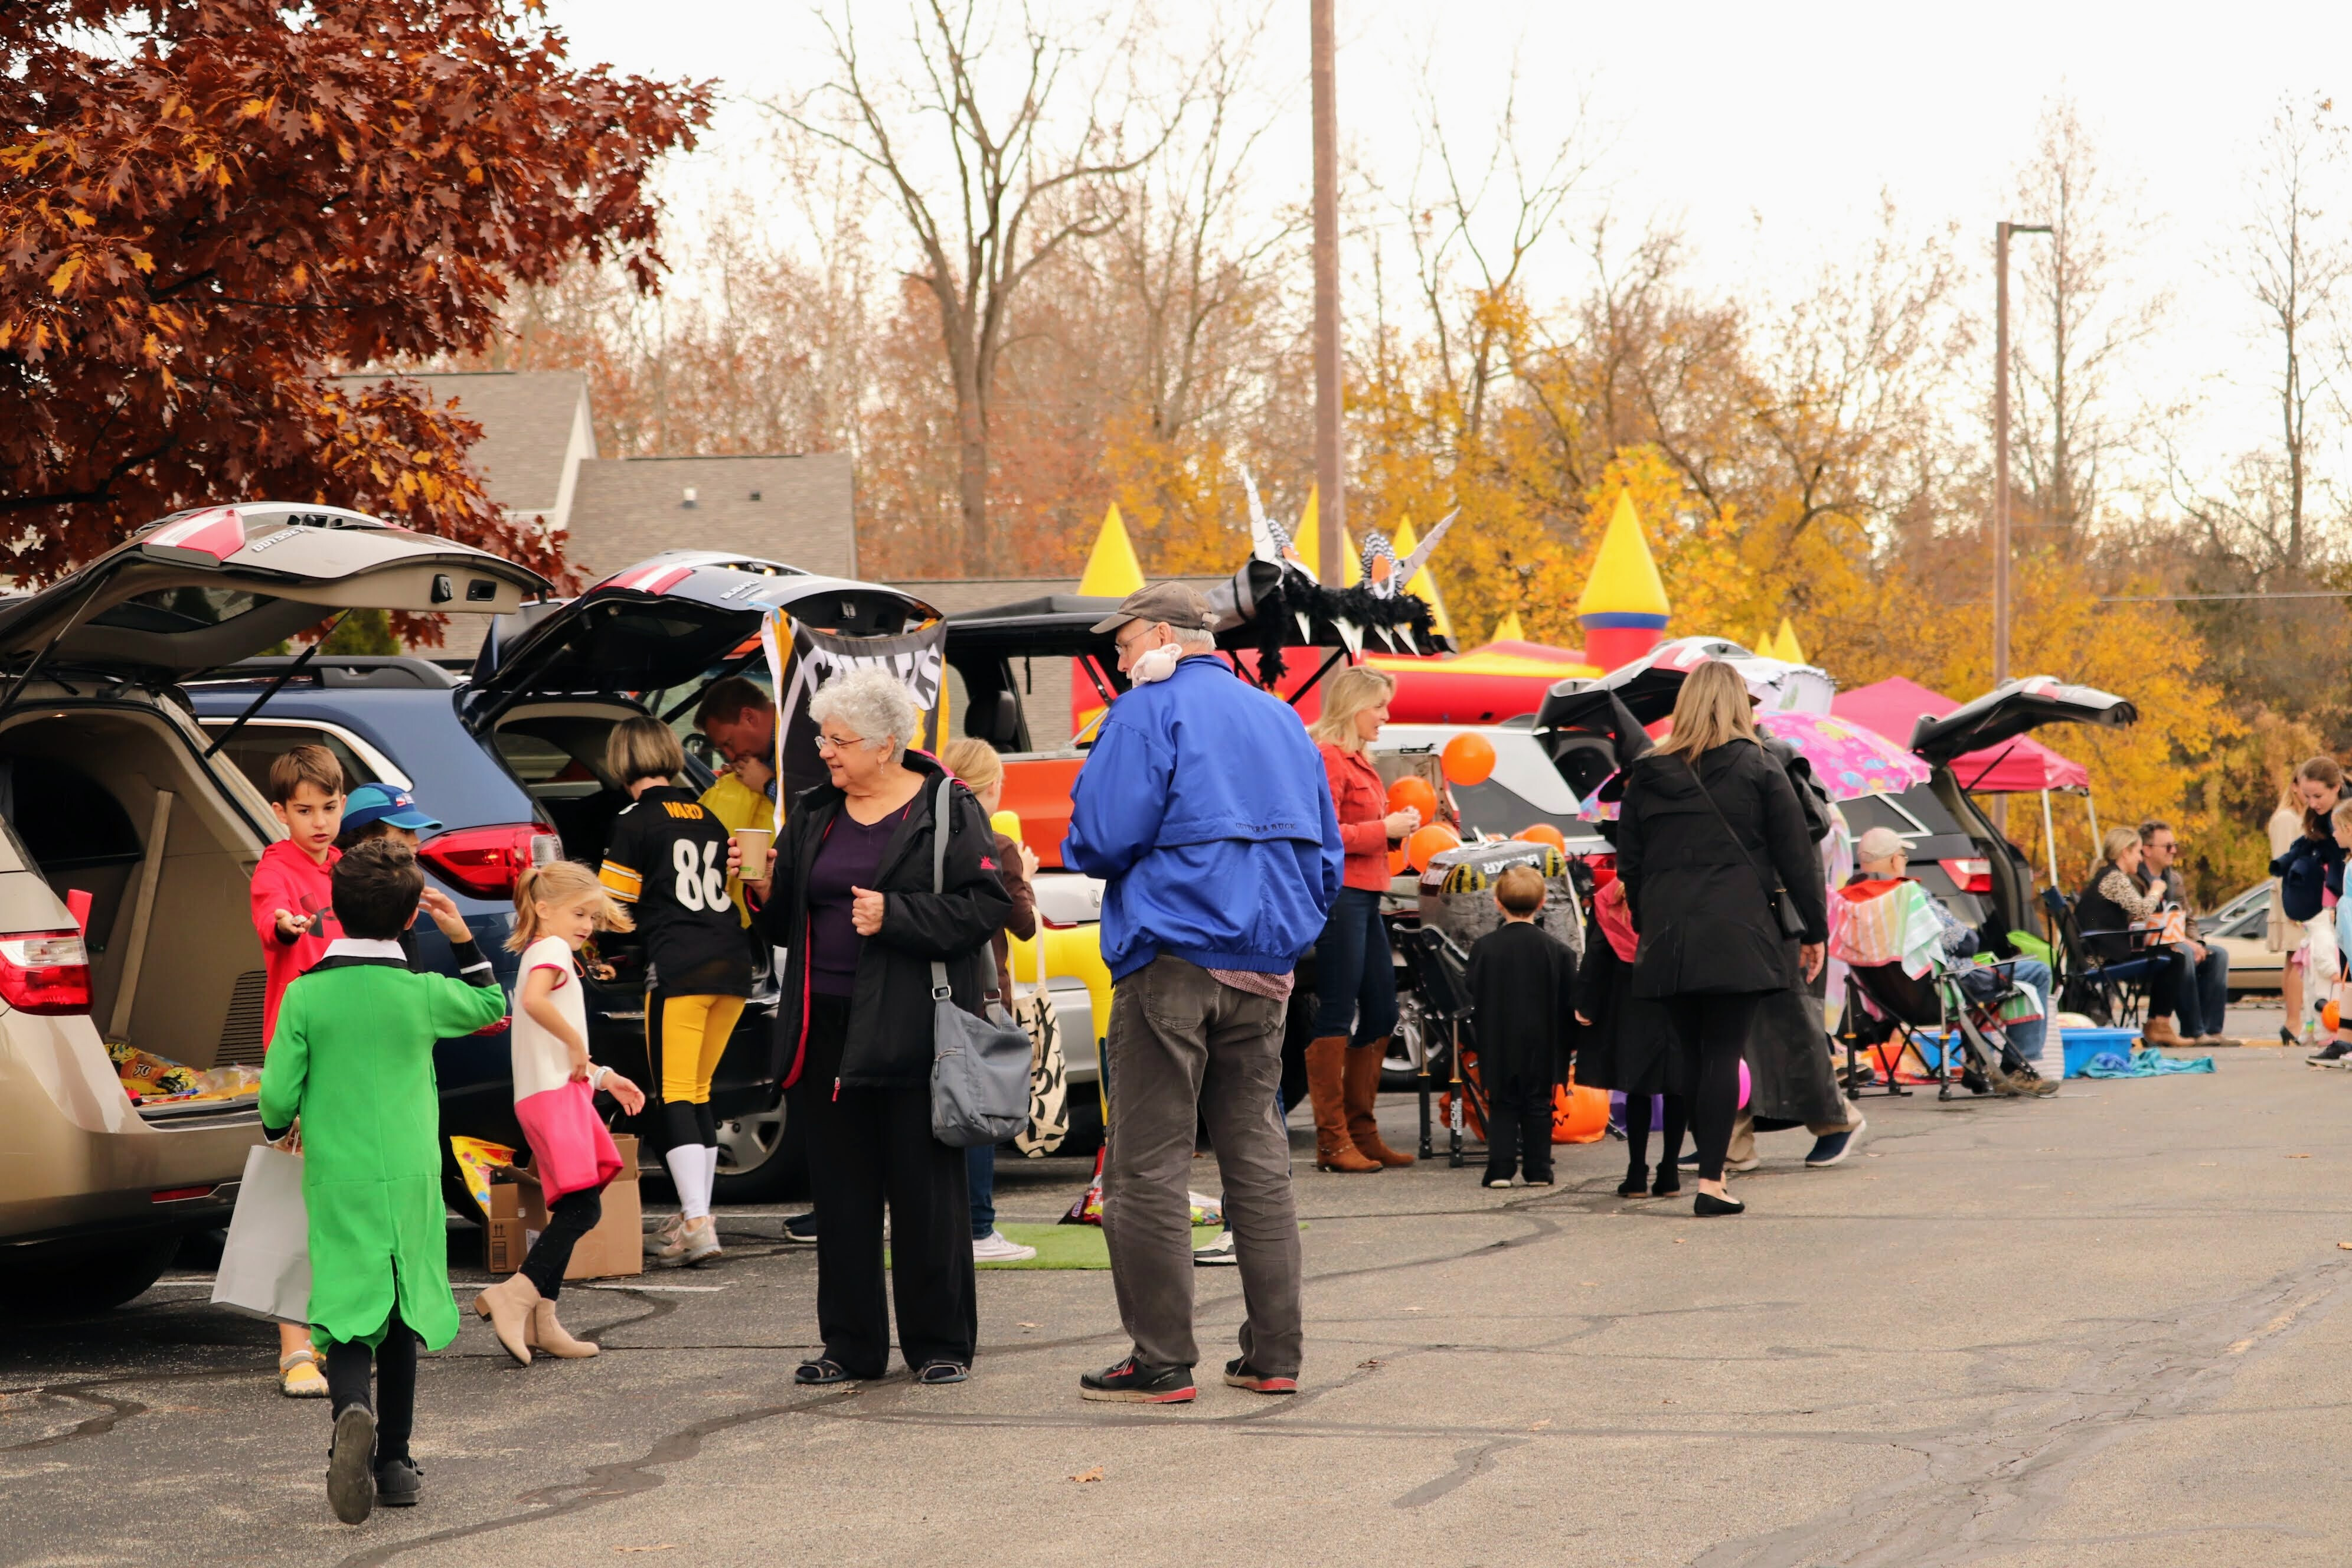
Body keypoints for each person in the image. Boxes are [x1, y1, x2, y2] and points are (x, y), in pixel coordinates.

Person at [1061, 583, 1340, 1404]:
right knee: (1257, 1158)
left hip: (1173, 953)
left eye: (1121, 644)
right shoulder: (1281, 718)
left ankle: (1161, 1359)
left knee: (1147, 1165)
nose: (1118, 659)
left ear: (1159, 635)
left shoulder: (1146, 712)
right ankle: (1274, 1355)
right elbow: (1326, 856)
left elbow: (1100, 839)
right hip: (1266, 962)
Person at [739, 668, 1009, 1387]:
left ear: (886, 744)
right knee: (842, 1198)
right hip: (824, 1026)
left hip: (916, 1026)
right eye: (822, 738)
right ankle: (850, 1346)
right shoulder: (814, 811)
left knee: (927, 1197)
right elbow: (785, 922)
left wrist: (898, 915)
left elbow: (987, 906)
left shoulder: (947, 806)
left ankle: (940, 1344)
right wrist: (761, 885)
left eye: (839, 740)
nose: (825, 751)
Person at [256, 840, 508, 1524]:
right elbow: (491, 1003)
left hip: (340, 1174)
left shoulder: (307, 995)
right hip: (412, 1175)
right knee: (400, 1310)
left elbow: (276, 1099)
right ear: (407, 919)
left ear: (335, 909)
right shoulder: (421, 993)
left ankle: (351, 1408)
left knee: (344, 1307)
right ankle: (394, 1461)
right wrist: (461, 937)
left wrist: (282, 1124)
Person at [1613, 659, 1827, 1218]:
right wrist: (1814, 930)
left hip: (1668, 934)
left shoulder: (1646, 772)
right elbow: (1796, 857)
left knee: (1690, 1056)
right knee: (1723, 1055)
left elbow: (1629, 863)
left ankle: (1700, 1172)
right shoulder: (1760, 766)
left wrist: (1649, 919)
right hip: (1740, 930)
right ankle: (1712, 1180)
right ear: (1737, 705)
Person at [470, 862, 648, 1364]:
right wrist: (575, 1044)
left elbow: (550, 1033)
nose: (588, 925)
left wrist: (602, 1075)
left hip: (552, 1093)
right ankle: (515, 1296)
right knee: (583, 1208)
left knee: (575, 1204)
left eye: (592, 916)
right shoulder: (551, 950)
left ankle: (543, 1320)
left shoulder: (542, 949)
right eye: (579, 914)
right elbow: (533, 1004)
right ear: (544, 910)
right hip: (554, 1098)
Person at [597, 717, 757, 1268]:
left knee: (675, 1095)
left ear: (621, 761)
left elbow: (614, 908)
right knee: (699, 1091)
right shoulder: (708, 815)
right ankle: (698, 1216)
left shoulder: (633, 820)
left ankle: (696, 1223)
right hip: (733, 963)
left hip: (680, 966)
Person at [695, 678, 814, 1246]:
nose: (728, 756)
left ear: (750, 717)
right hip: (769, 921)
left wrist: (766, 784)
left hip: (803, 924)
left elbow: (813, 805)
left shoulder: (803, 741)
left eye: (727, 743)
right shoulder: (757, 766)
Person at [247, 743, 347, 1399]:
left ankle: (335, 1334)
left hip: (352, 1051)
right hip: (302, 1058)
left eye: (329, 807)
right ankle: (295, 1348)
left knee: (341, 1199)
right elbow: (273, 919)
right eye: (305, 810)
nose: (319, 821)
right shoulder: (275, 868)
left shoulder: (348, 867)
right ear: (280, 811)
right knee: (295, 1202)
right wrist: (286, 926)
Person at [1302, 664, 1419, 1172]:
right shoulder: (1329, 756)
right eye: (1379, 706)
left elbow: (1353, 827)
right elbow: (1321, 833)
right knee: (1338, 1007)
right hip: (1341, 894)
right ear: (1353, 707)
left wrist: (1393, 830)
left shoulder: (1356, 757)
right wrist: (1383, 829)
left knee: (1382, 1010)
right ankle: (1333, 1140)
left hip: (1367, 893)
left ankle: (1362, 1132)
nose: (1386, 716)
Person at [1850, 828, 2055, 1097]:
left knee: (1973, 981)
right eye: (1903, 856)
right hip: (1941, 992)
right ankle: (2015, 1067)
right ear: (1893, 860)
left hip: (1891, 1003)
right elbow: (1966, 942)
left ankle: (1979, 1063)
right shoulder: (1908, 895)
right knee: (2036, 971)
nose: (1904, 861)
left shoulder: (1848, 901)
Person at [940, 736, 1041, 1265]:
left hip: (928, 989)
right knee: (978, 1110)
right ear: (992, 786)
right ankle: (979, 1228)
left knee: (934, 1106)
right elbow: (1023, 925)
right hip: (981, 995)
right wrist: (1025, 875)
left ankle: (937, 1222)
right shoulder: (997, 845)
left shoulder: (926, 835)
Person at [1573, 867, 1687, 1198]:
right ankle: (1670, 1171)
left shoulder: (1612, 898)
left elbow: (1596, 954)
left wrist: (1586, 1003)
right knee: (1677, 1085)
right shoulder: (1680, 888)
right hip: (1678, 995)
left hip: (1632, 1000)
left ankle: (1637, 1172)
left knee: (1638, 1086)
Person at [1465, 865, 1576, 1189]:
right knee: (1539, 1104)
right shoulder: (1559, 951)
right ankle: (1538, 1170)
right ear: (1542, 902)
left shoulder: (1484, 948)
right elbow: (1570, 998)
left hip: (1499, 1037)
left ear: (1498, 902)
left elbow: (1472, 990)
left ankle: (1500, 1170)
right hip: (1544, 1039)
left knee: (1502, 1103)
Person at [2076, 826, 2191, 1048]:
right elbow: (2142, 909)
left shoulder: (2106, 876)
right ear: (2125, 852)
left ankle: (2158, 1025)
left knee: (2168, 955)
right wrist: (2156, 890)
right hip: (2103, 959)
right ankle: (2159, 1025)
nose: (2140, 859)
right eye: (2138, 852)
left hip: (2098, 952)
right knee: (2174, 959)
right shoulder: (2115, 879)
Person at [2136, 820, 2237, 1048]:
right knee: (2183, 953)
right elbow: (2140, 920)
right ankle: (2194, 1030)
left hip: (2178, 941)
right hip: (2151, 947)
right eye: (2167, 847)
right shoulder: (2135, 878)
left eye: (2175, 845)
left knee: (2218, 955)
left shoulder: (2174, 879)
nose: (2173, 851)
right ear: (2147, 850)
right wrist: (2186, 943)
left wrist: (2197, 942)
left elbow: (2188, 918)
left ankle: (2213, 1030)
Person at [2275, 757, 2350, 1064]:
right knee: (2346, 972)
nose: (2312, 803)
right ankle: (2344, 1040)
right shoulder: (2320, 820)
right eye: (2307, 796)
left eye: (2318, 796)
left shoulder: (2344, 816)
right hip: (2341, 902)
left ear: (2337, 788)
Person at [2268, 778, 2309, 1045]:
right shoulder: (2286, 819)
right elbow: (2284, 862)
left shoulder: (2299, 818)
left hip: (2299, 895)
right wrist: (2293, 901)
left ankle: (2294, 1022)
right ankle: (2293, 1021)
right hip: (2293, 897)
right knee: (2297, 956)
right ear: (2294, 786)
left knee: (2295, 957)